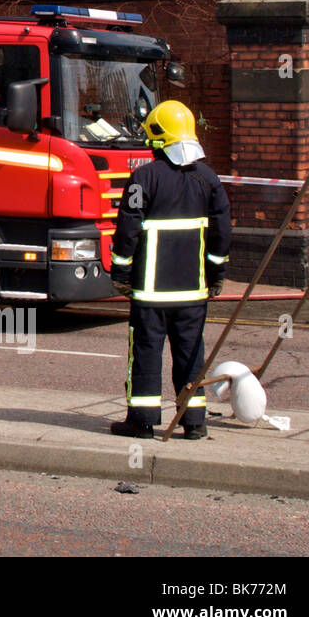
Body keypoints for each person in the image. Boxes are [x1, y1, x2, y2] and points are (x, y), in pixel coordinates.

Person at [108, 100, 232, 440]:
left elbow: (127, 229)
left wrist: (120, 271)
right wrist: (216, 274)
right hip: (193, 291)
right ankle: (194, 422)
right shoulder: (208, 179)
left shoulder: (144, 178)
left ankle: (142, 421)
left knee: (147, 352)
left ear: (157, 137)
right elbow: (222, 234)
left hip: (150, 292)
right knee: (191, 352)